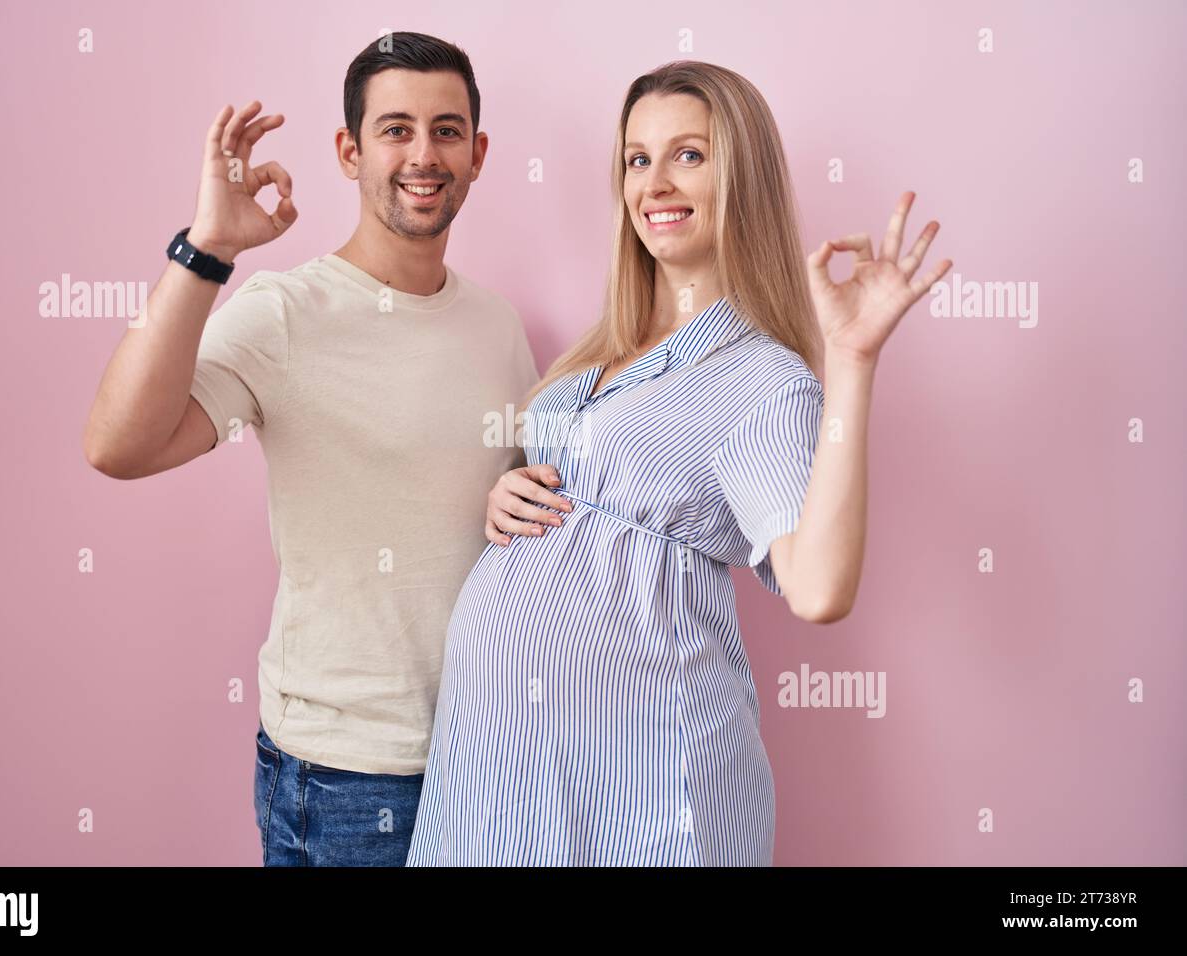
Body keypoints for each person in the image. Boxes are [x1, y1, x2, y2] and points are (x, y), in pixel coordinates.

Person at [404, 60, 950, 866]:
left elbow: (820, 588)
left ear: (743, 175)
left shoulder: (762, 380)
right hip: (503, 784)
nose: (655, 182)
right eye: (637, 158)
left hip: (644, 789)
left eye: (689, 155)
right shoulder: (599, 355)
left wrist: (853, 359)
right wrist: (508, 495)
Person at [82, 32, 538, 866]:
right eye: (395, 129)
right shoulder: (286, 312)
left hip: (492, 761)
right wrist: (208, 250)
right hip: (349, 778)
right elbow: (119, 444)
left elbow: (513, 525)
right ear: (348, 150)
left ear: (477, 153)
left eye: (446, 130)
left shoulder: (499, 324)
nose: (423, 154)